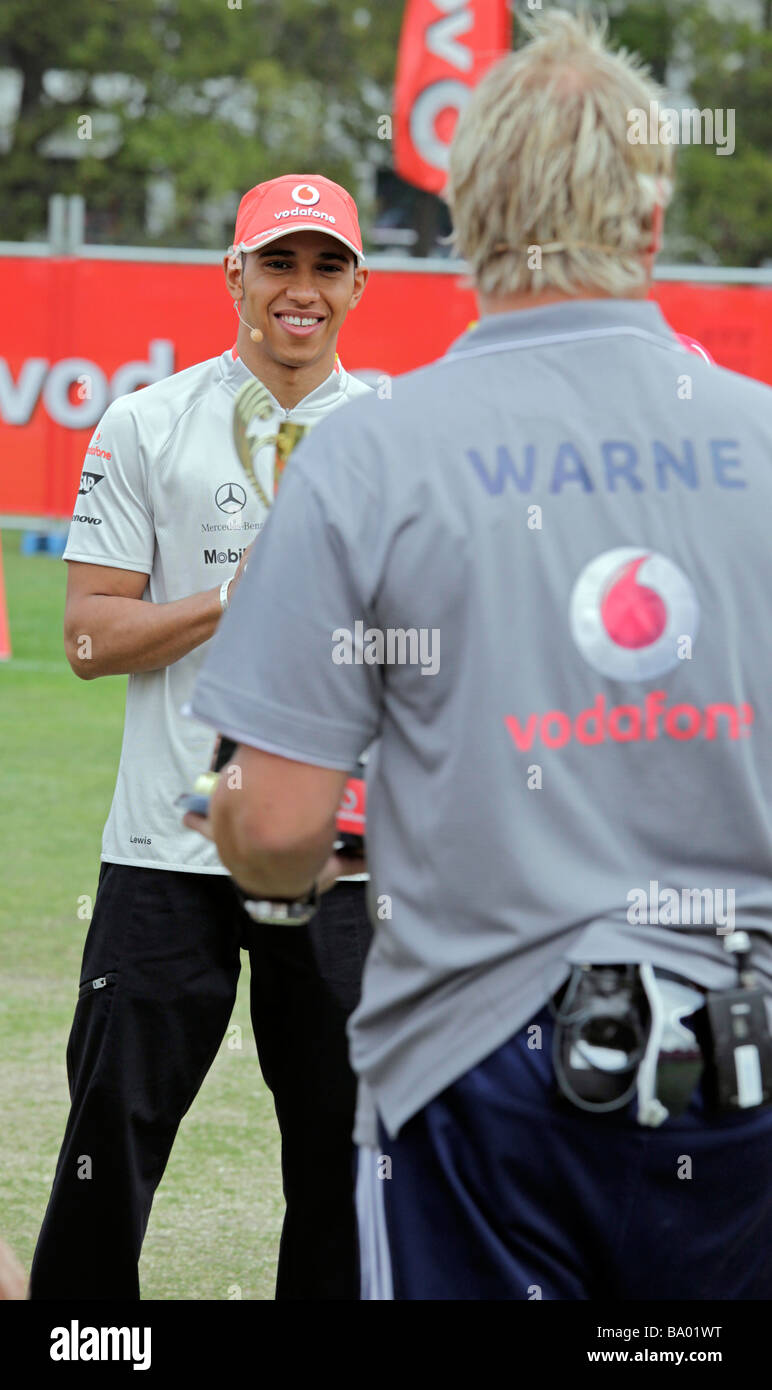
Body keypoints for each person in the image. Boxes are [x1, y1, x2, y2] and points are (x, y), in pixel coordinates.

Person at [187, 10, 772, 1301]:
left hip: (478, 1076)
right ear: (653, 220)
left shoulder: (372, 451)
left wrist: (237, 820)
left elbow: (281, 826)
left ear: (465, 213)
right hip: (742, 1069)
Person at [30, 174, 373, 1302]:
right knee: (108, 1140)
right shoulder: (147, 421)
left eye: (326, 266)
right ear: (235, 272)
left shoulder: (396, 438)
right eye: (279, 262)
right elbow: (85, 636)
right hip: (162, 852)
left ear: (357, 284)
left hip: (339, 854)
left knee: (341, 1151)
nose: (301, 289)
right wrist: (234, 601)